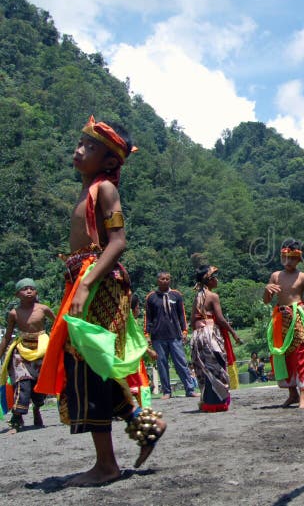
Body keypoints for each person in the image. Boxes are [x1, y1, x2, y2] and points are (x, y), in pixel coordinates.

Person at [34, 116, 165, 486]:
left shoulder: (105, 188)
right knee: (95, 366)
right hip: (85, 280)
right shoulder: (89, 187)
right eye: (81, 143)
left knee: (87, 366)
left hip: (98, 283)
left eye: (90, 147)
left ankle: (106, 465)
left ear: (109, 161)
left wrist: (87, 284)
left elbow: (118, 242)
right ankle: (146, 424)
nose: (79, 150)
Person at [264, 240, 304, 409]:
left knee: (301, 355)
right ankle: (292, 394)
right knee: (284, 356)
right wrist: (267, 289)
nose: (288, 262)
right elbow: (266, 301)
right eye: (285, 258)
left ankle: (303, 396)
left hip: (298, 318)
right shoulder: (275, 276)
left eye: (292, 258)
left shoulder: (303, 277)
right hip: (280, 318)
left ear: (299, 259)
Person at [0, 278, 55, 432]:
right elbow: (7, 336)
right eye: (25, 289)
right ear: (18, 294)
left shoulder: (43, 309)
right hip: (21, 351)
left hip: (41, 349)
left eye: (32, 288)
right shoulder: (13, 313)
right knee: (22, 383)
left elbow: (59, 325)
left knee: (39, 385)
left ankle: (37, 409)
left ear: (36, 292)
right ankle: (16, 420)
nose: (29, 291)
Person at [190, 265, 242, 412]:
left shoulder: (197, 297)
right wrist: (233, 332)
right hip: (210, 335)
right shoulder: (213, 296)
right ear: (209, 280)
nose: (217, 280)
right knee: (217, 367)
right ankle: (218, 403)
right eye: (215, 277)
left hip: (198, 336)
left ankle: (208, 402)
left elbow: (193, 320)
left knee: (205, 368)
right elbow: (220, 319)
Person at [144, 272, 198, 399]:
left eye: (167, 279)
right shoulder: (151, 297)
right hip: (158, 336)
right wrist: (147, 334)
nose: (165, 281)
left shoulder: (176, 295)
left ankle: (190, 389)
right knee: (162, 364)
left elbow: (181, 315)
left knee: (181, 362)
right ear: (158, 280)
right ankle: (167, 391)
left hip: (175, 335)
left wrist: (185, 331)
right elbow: (148, 317)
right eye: (162, 279)